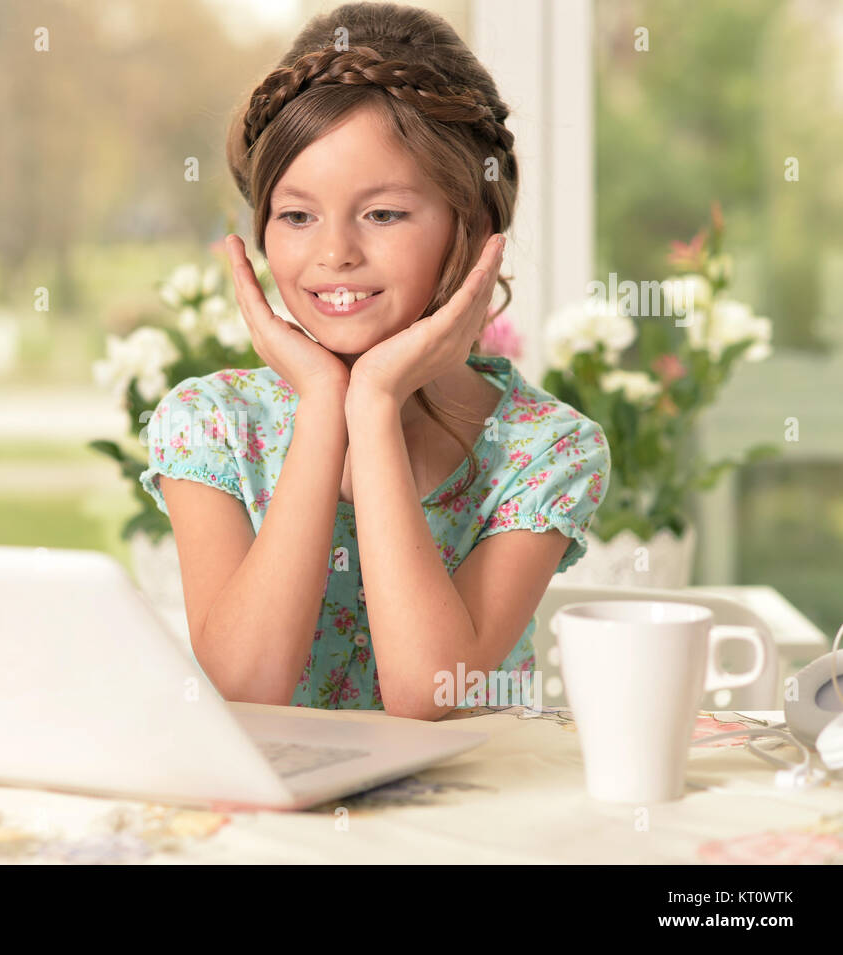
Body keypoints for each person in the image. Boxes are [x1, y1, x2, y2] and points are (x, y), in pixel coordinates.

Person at [138, 3, 610, 719]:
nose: (335, 254)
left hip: (464, 825)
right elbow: (247, 682)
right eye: (297, 216)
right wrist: (326, 405)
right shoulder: (210, 424)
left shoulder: (546, 451)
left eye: (383, 214)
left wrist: (375, 403)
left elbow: (432, 693)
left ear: (475, 226)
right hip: (279, 827)